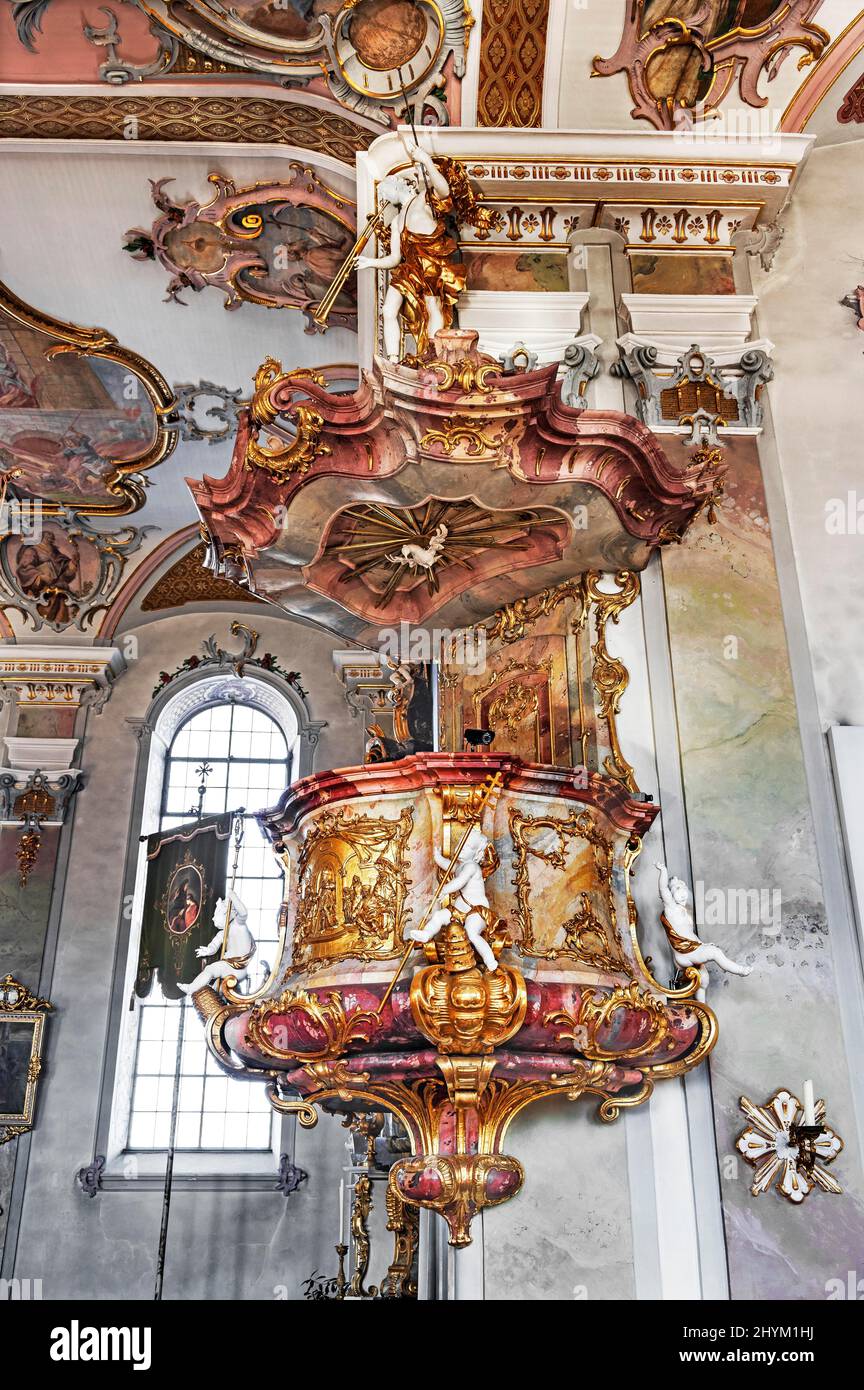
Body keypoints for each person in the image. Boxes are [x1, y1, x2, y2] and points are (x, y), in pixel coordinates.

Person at [655, 861, 752, 1001]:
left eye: (682, 887)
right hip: (686, 952)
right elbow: (663, 888)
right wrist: (663, 870)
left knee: (703, 981)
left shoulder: (685, 912)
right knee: (715, 953)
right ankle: (740, 970)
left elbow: (690, 935)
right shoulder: (671, 909)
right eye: (676, 889)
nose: (681, 892)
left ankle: (702, 1010)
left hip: (692, 950)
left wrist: (702, 945)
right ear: (669, 896)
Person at [410, 825, 499, 972]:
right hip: (460, 909)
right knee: (439, 915)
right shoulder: (460, 865)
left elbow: (460, 882)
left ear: (476, 854)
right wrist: (438, 857)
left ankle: (489, 959)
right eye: (461, 844)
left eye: (468, 847)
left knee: (472, 932)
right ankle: (426, 933)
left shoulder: (471, 867)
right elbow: (449, 866)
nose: (462, 848)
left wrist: (445, 890)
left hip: (476, 911)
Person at [178, 891, 256, 995]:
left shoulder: (238, 924)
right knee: (214, 985)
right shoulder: (222, 933)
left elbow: (243, 913)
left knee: (212, 970)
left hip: (238, 967)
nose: (213, 918)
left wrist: (234, 897)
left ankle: (192, 988)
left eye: (216, 914)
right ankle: (194, 989)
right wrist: (208, 950)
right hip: (228, 965)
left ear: (227, 913)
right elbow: (214, 946)